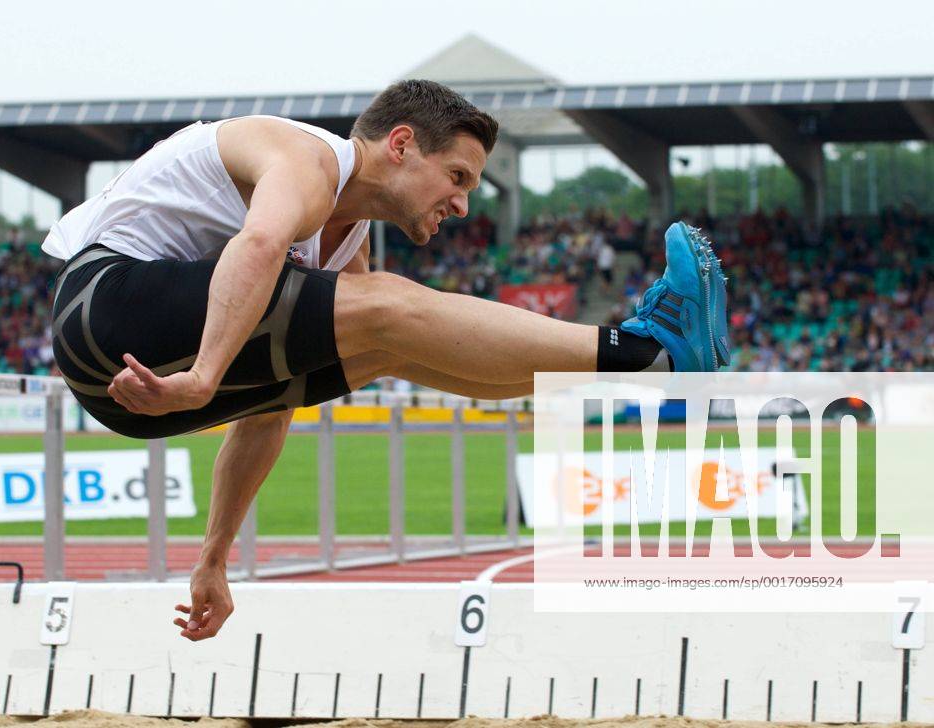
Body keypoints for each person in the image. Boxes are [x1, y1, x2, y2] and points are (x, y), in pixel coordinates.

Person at [42, 80, 729, 641]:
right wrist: (204, 376)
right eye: (456, 177)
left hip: (132, 395)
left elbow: (275, 402)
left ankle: (653, 368)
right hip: (103, 310)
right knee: (388, 311)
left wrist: (213, 558)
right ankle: (643, 346)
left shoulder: (349, 250)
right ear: (401, 145)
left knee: (388, 345)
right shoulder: (305, 160)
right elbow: (255, 248)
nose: (461, 204)